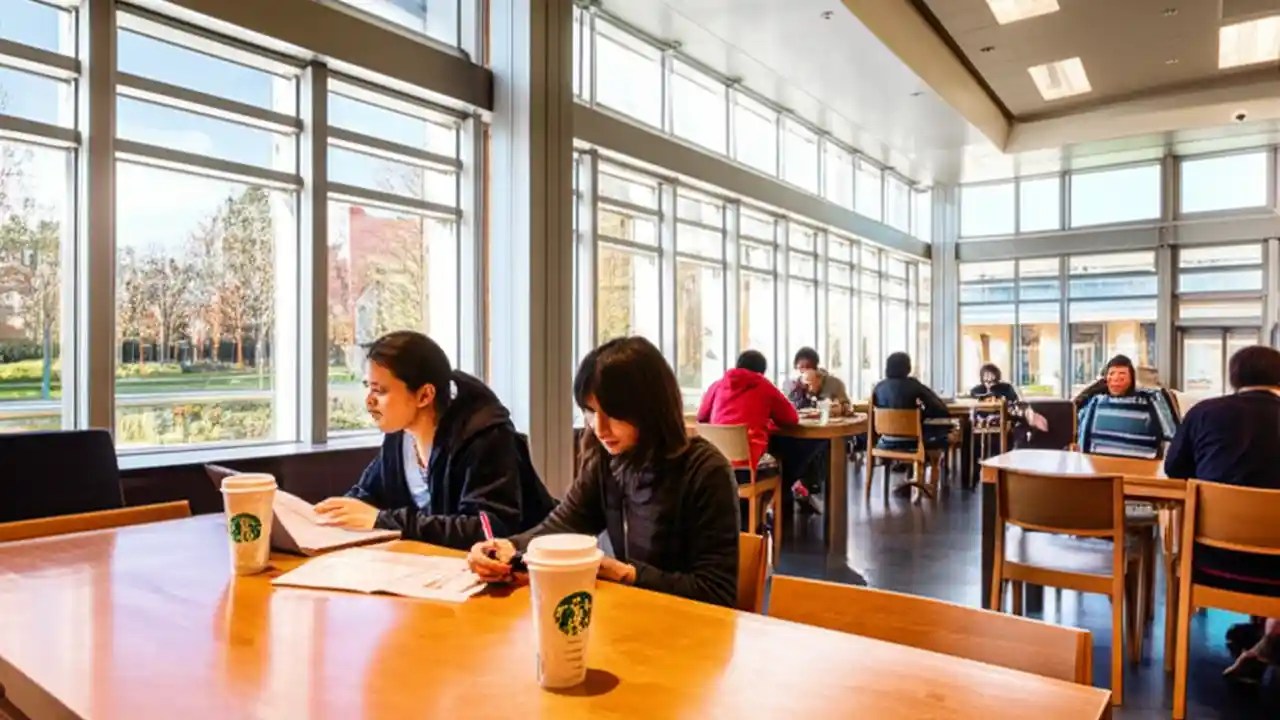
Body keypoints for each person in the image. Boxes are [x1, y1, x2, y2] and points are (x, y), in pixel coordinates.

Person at [467, 337, 740, 608]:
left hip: (684, 624)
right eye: (590, 411)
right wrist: (508, 548)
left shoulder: (706, 471)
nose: (599, 428)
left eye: (613, 414)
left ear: (650, 409)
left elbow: (716, 592)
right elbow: (563, 525)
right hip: (629, 615)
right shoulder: (607, 459)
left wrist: (627, 574)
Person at [314, 331, 556, 548]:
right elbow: (367, 497)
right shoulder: (400, 434)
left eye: (380, 390)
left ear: (424, 395)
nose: (369, 401)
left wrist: (383, 521)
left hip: (522, 569)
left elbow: (489, 529)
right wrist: (331, 516)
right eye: (367, 386)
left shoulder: (486, 437)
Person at [1164, 345, 1280, 682]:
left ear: (1233, 378)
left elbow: (1175, 470)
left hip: (1210, 562)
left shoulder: (1204, 413)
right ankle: (1271, 634)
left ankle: (1267, 634)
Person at [697, 350, 825, 514]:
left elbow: (701, 417)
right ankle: (776, 506)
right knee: (792, 456)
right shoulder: (764, 386)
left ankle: (765, 508)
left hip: (717, 466)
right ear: (761, 372)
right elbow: (791, 418)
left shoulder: (717, 385)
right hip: (751, 471)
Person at [872, 352, 951, 453]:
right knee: (945, 433)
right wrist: (922, 414)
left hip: (885, 442)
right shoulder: (914, 385)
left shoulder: (878, 388)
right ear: (908, 368)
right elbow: (941, 410)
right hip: (913, 442)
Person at [786, 347, 851, 410]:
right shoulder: (794, 385)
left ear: (816, 368)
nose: (805, 371)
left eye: (808, 367)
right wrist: (802, 389)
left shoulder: (834, 383)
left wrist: (838, 407)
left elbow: (847, 407)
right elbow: (791, 408)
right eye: (801, 367)